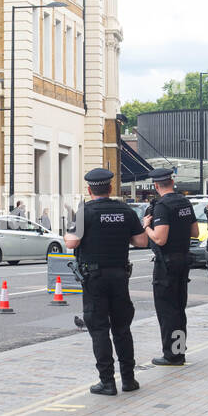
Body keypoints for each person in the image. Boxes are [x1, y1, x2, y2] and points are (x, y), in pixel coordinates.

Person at [65, 168, 149, 396]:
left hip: (95, 279)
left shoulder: (85, 212)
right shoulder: (125, 210)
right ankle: (129, 380)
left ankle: (107, 382)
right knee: (122, 328)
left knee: (100, 329)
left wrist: (68, 232)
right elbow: (141, 241)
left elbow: (71, 243)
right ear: (110, 188)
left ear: (90, 189)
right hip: (120, 277)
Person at [140, 168, 197, 365]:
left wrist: (146, 226)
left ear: (156, 186)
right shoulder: (184, 202)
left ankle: (171, 355)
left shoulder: (163, 206)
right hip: (183, 260)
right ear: (171, 181)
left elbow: (160, 238)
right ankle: (179, 351)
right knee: (179, 309)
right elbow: (195, 231)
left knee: (167, 310)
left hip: (167, 264)